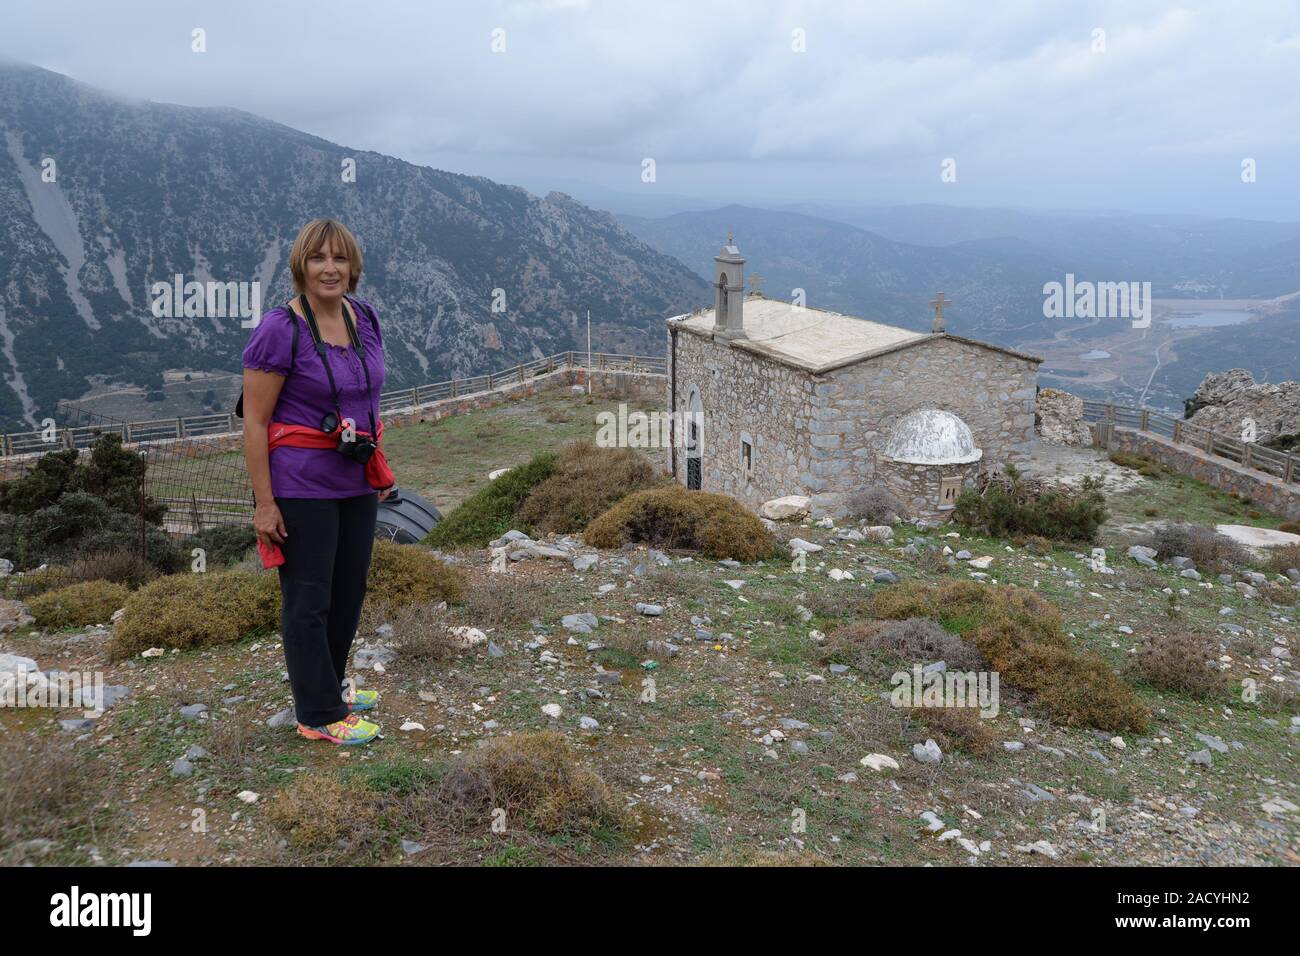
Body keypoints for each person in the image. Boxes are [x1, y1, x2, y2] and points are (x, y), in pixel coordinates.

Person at [241, 218, 392, 745]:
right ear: (300, 267)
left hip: (355, 479)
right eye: (318, 258)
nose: (330, 268)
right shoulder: (280, 330)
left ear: (353, 268)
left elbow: (365, 398)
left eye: (340, 259)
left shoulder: (363, 316)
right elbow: (255, 422)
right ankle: (318, 714)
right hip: (301, 485)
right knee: (309, 597)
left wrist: (376, 461)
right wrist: (265, 504)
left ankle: (333, 686)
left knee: (348, 590)